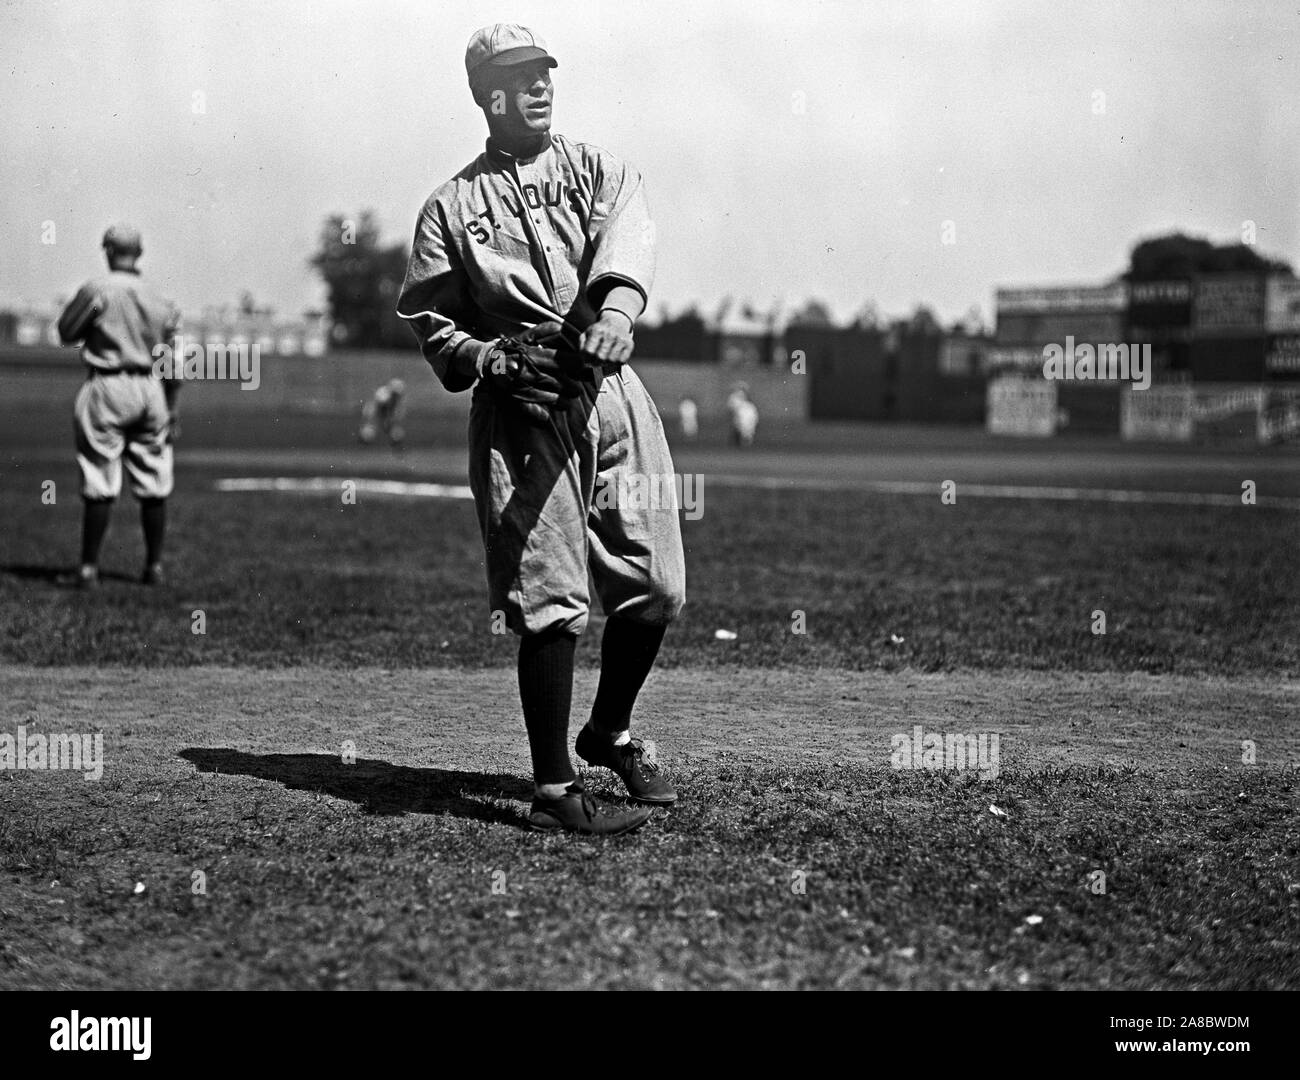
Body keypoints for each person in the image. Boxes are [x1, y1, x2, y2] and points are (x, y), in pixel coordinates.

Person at [397, 24, 685, 835]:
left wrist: (617, 315)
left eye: (545, 73)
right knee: (551, 600)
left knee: (657, 586)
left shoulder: (597, 167)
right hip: (523, 409)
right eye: (521, 76)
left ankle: (609, 731)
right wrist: (488, 358)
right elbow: (429, 315)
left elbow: (627, 244)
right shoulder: (451, 205)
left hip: (610, 387)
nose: (540, 86)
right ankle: (555, 788)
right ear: (487, 93)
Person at [57, 224, 180, 588]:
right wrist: (172, 407)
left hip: (109, 383)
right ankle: (153, 567)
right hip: (151, 387)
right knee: (154, 480)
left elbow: (66, 332)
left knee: (99, 477)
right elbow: (172, 361)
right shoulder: (161, 297)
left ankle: (89, 569)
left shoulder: (98, 288)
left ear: (109, 250)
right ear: (139, 253)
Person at [359, 378, 407, 450]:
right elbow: (378, 407)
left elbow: (395, 408)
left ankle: (396, 443)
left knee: (394, 430)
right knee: (370, 430)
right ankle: (363, 444)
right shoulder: (383, 393)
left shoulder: (395, 397)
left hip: (384, 412)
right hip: (375, 411)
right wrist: (387, 419)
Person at [727, 382, 759, 446]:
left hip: (746, 413)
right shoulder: (733, 397)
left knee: (746, 429)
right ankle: (739, 442)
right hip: (739, 414)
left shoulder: (748, 403)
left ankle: (745, 441)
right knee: (740, 428)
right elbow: (731, 407)